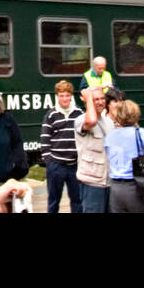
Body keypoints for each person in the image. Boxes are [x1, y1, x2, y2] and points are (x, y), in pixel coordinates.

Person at [104, 98, 144, 213]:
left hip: (115, 189)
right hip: (137, 188)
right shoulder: (141, 133)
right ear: (136, 115)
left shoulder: (109, 136)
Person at [40, 80, 84, 212]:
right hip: (56, 165)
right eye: (61, 95)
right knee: (53, 201)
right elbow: (45, 139)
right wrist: (49, 160)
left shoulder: (79, 113)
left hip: (74, 166)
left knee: (77, 201)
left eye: (67, 95)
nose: (64, 98)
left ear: (71, 96)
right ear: (57, 96)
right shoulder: (51, 115)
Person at [74, 85, 120, 212]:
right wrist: (88, 97)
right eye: (96, 99)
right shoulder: (81, 120)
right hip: (92, 183)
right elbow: (92, 121)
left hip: (109, 182)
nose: (100, 102)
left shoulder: (110, 122)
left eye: (102, 98)